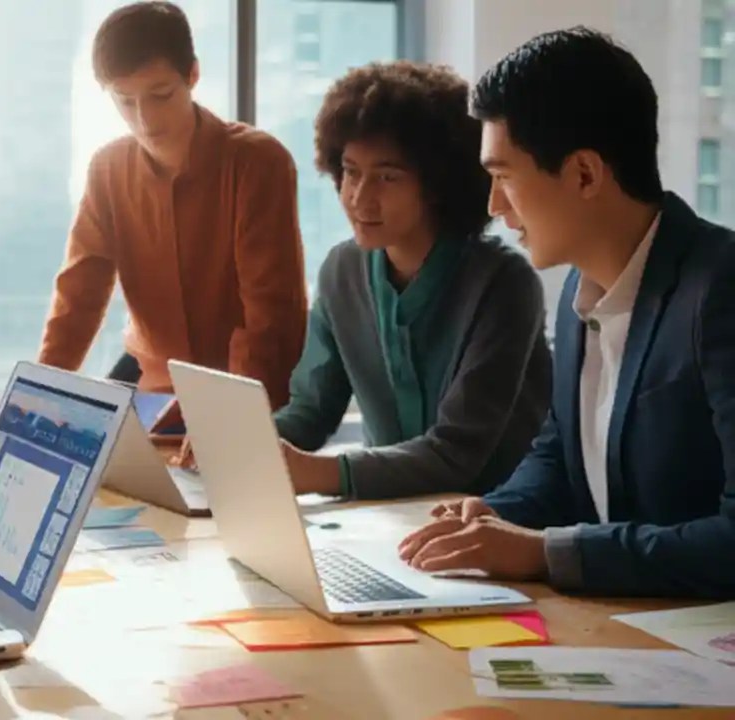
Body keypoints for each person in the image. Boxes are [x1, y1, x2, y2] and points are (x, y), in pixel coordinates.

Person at [399, 28, 735, 599]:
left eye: (504, 177)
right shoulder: (579, 288)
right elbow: (558, 458)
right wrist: (492, 515)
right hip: (626, 626)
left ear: (584, 173)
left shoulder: (720, 287)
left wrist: (545, 553)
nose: (493, 205)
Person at [274, 62, 550, 500]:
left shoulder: (504, 285)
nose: (360, 198)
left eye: (387, 177)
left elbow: (455, 454)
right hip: (385, 521)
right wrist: (247, 445)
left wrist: (317, 475)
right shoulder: (341, 271)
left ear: (437, 183)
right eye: (350, 172)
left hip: (491, 526)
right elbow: (310, 412)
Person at [38, 1, 307, 412]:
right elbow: (78, 295)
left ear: (192, 75)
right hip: (151, 393)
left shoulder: (257, 162)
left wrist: (237, 417)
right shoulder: (108, 168)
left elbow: (269, 316)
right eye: (125, 101)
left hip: (244, 396)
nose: (144, 119)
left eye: (160, 95)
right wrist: (36, 398)